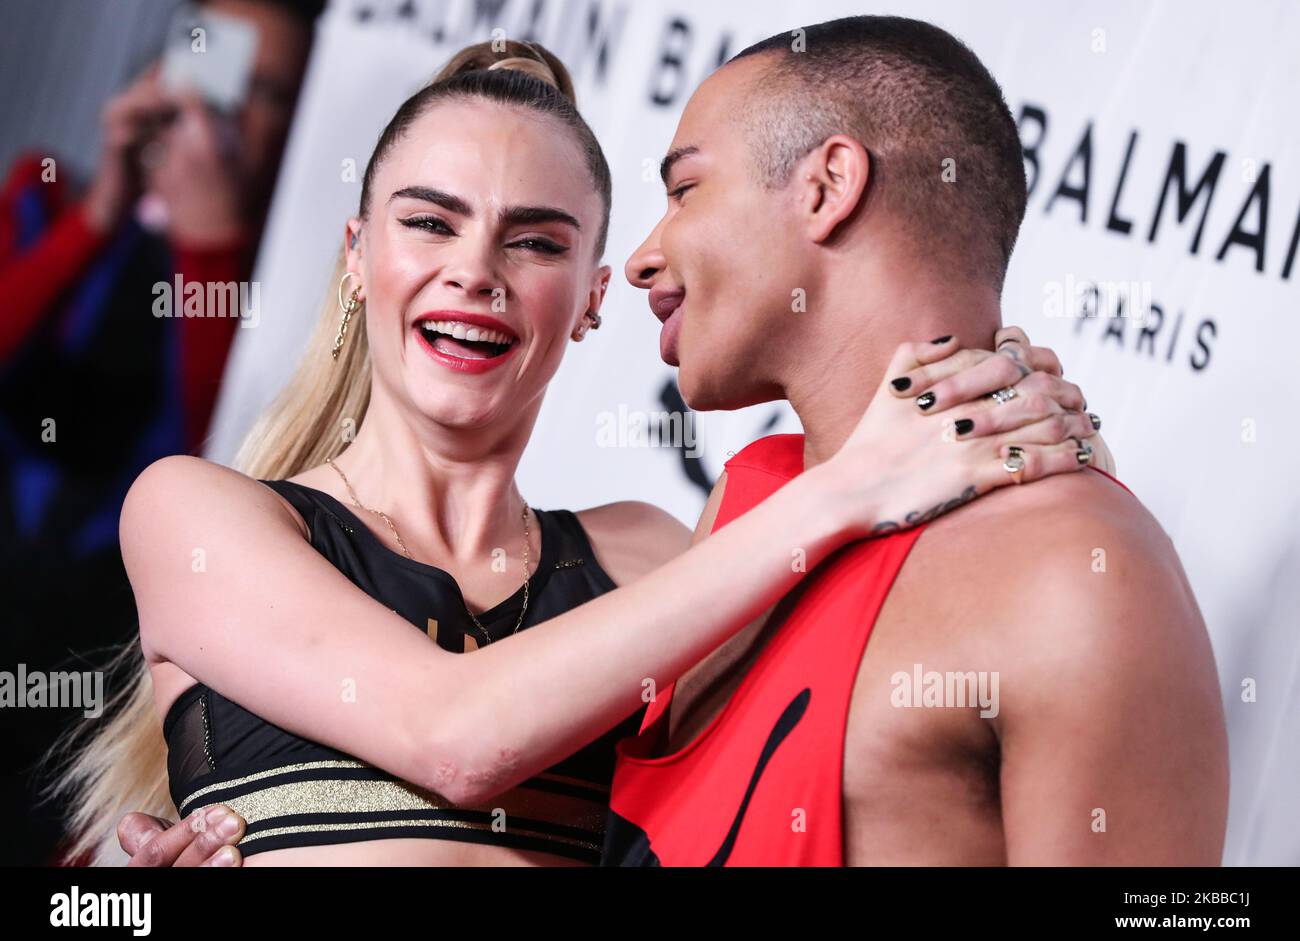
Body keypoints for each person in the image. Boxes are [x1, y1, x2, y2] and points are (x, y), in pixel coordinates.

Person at [48, 38, 1103, 867]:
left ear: (593, 300)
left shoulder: (657, 554)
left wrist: (1009, 403)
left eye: (537, 241)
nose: (477, 271)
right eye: (429, 222)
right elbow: (456, 738)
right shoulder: (195, 513)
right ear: (358, 258)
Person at [602, 15, 1227, 865]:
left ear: (827, 187)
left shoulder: (1079, 575)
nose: (642, 257)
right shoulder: (750, 498)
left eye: (684, 192)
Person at [3, 0, 322, 865]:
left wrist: (208, 242)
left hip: (100, 663)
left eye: (262, 91)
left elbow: (234, 458)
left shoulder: (281, 285)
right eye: (211, 64)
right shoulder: (50, 195)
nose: (220, 109)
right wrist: (101, 207)